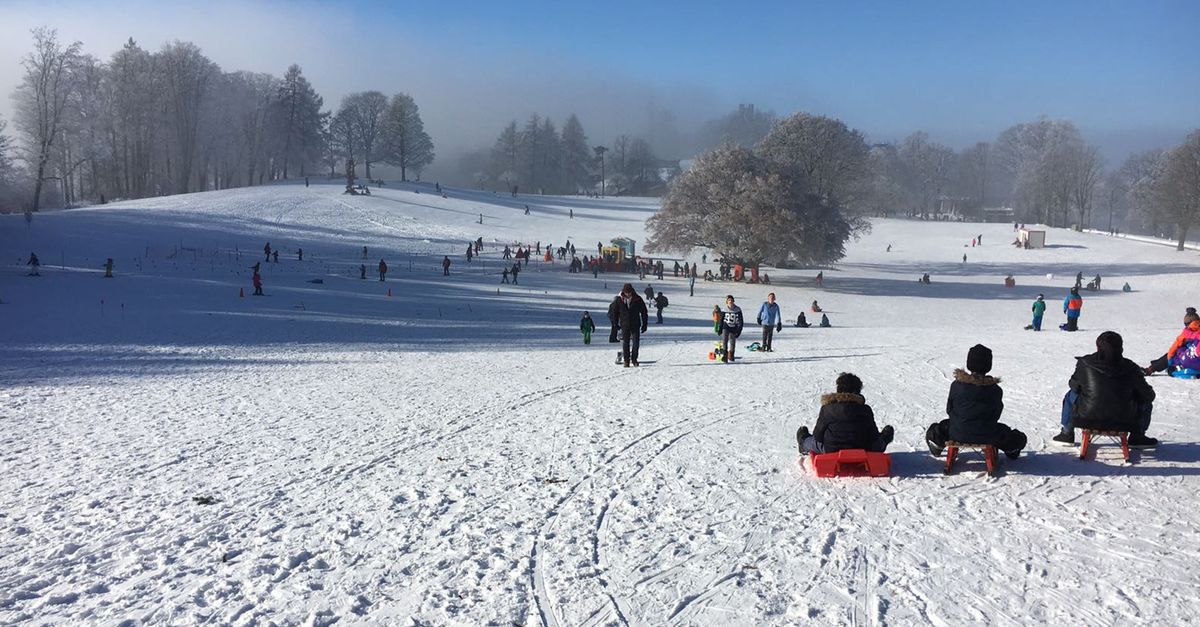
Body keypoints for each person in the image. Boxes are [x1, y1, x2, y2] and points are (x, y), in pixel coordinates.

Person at [1054, 331, 1157, 447]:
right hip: (1124, 420)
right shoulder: (1131, 367)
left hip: (1086, 417)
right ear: (1120, 347)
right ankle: (1137, 436)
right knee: (1144, 399)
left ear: (1097, 347)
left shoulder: (1085, 363)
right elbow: (1148, 396)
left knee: (1071, 394)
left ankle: (1067, 433)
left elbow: (1073, 385)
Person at [925, 345, 1027, 459]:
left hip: (957, 432)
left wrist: (960, 420)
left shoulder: (957, 386)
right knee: (1012, 435)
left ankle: (937, 446)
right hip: (988, 434)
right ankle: (1012, 449)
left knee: (938, 429)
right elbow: (996, 414)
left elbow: (949, 409)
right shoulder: (995, 390)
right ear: (988, 365)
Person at [795, 373, 894, 454]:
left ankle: (803, 440)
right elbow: (873, 437)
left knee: (813, 442)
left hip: (831, 449)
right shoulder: (865, 409)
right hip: (862, 449)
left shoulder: (827, 409)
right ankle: (885, 436)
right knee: (878, 443)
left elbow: (818, 436)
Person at [1145, 308, 1200, 375]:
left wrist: (1169, 357)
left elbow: (1176, 345)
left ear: (1187, 323)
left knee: (1171, 355)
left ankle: (1151, 369)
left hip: (1188, 356)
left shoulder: (1187, 332)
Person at [610, 284, 648, 367]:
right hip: (624, 324)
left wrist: (645, 324)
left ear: (632, 291)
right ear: (623, 292)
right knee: (625, 342)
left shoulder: (637, 299)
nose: (628, 294)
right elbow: (615, 313)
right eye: (626, 293)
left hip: (635, 324)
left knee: (636, 343)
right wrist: (615, 324)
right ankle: (626, 360)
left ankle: (634, 359)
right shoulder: (619, 299)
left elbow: (644, 312)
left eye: (629, 293)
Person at [717, 294, 744, 363]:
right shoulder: (724, 309)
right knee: (724, 341)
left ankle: (731, 355)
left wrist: (739, 330)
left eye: (731, 300)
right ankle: (725, 356)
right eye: (729, 300)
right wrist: (720, 329)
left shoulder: (738, 309)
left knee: (732, 342)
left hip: (734, 327)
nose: (730, 302)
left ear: (733, 301)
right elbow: (721, 320)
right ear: (726, 302)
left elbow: (741, 320)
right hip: (726, 326)